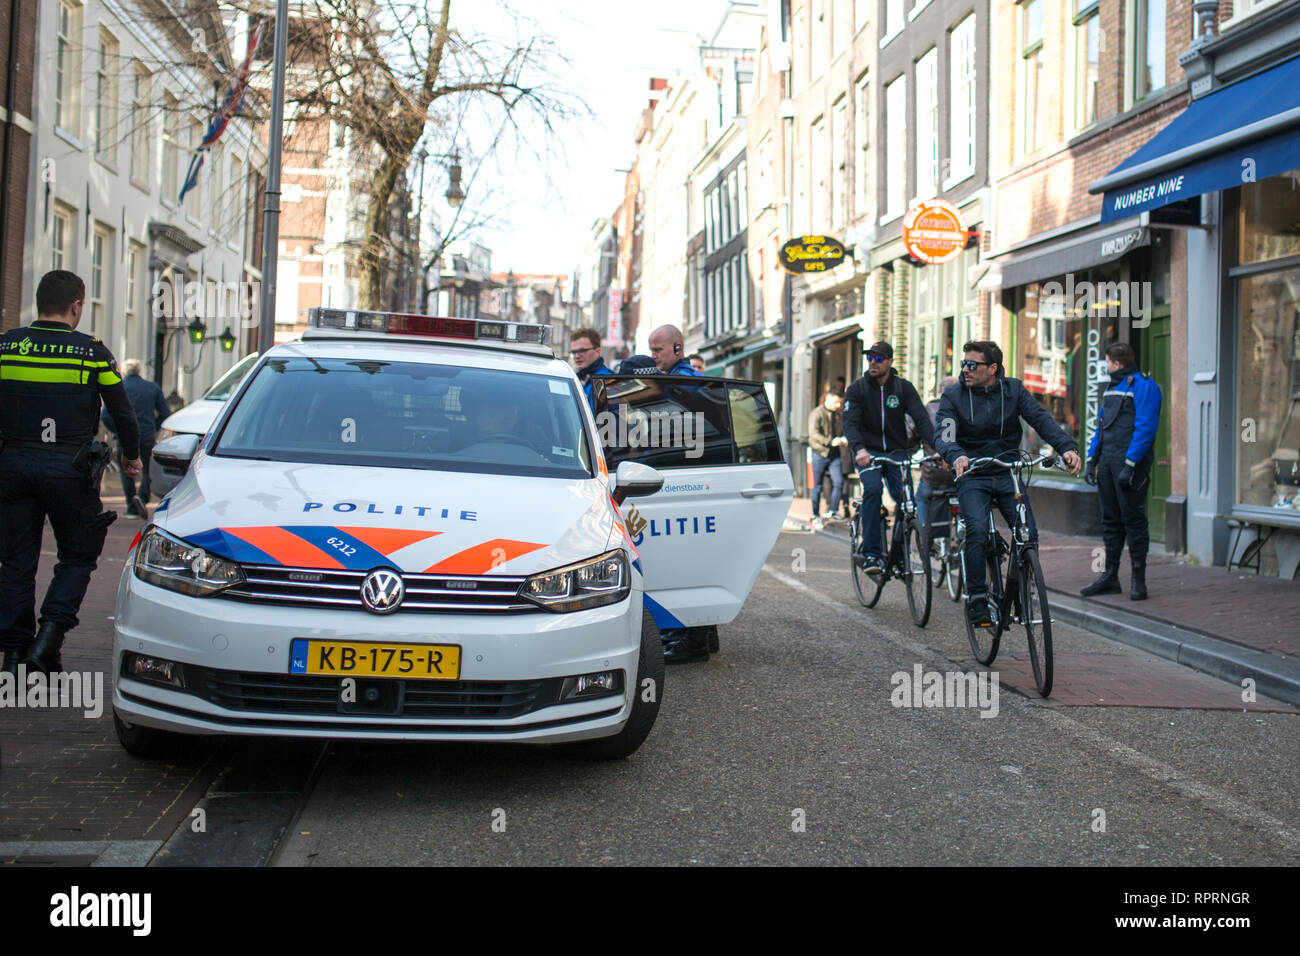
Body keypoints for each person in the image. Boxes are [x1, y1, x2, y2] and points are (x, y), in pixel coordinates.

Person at [0, 270, 142, 675]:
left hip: (12, 465)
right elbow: (123, 414)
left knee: (15, 564)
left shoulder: (6, 347)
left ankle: (12, 656)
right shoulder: (91, 353)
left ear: (38, 302)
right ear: (77, 306)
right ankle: (48, 640)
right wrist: (131, 458)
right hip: (69, 470)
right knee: (78, 557)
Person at [935, 341, 1082, 629]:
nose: (965, 369)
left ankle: (1022, 589)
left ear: (992, 368)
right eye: (964, 363)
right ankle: (977, 599)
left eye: (972, 364)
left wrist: (1066, 447)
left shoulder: (1013, 390)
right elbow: (944, 434)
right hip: (972, 473)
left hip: (1007, 472)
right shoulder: (953, 396)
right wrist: (956, 454)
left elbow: (1041, 420)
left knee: (1028, 533)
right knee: (976, 529)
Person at [1081, 341, 1163, 601]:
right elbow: (1101, 428)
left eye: (1107, 362)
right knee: (1110, 522)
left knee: (1134, 522)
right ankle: (1110, 577)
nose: (1105, 367)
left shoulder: (1145, 386)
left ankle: (1139, 581)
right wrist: (1092, 459)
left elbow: (1146, 428)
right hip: (1107, 463)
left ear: (1115, 363)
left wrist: (1131, 464)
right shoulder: (1113, 388)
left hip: (1129, 467)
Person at [843, 341, 933, 574]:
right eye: (870, 358)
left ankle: (900, 555)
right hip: (868, 453)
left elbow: (922, 420)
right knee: (872, 491)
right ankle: (871, 554)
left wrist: (938, 449)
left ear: (890, 362)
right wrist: (859, 449)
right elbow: (850, 423)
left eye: (879, 358)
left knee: (906, 501)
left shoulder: (903, 388)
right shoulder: (857, 389)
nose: (873, 362)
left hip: (896, 452)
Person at [100, 358, 171, 518]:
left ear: (124, 372)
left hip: (124, 434)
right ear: (139, 372)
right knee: (147, 469)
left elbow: (105, 415)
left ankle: (131, 507)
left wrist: (117, 429)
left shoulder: (120, 386)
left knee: (127, 470)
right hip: (146, 434)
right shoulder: (152, 387)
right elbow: (165, 413)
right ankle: (142, 495)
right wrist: (154, 425)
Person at [915, 376, 959, 529]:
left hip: (932, 473)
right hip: (958, 472)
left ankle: (923, 531)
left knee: (920, 498)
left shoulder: (928, 409)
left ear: (940, 390)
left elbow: (911, 434)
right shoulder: (965, 409)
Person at [808, 388, 849, 529]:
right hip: (819, 453)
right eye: (837, 402)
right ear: (828, 399)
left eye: (840, 403)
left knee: (838, 481)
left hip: (834, 454)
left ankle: (833, 510)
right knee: (817, 486)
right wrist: (830, 441)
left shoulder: (838, 415)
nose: (839, 406)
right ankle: (815, 514)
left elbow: (843, 430)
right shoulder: (816, 414)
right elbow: (813, 434)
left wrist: (844, 439)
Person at [569, 327, 611, 411]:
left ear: (598, 351)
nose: (577, 356)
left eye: (582, 350)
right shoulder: (579, 378)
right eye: (574, 352)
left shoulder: (605, 380)